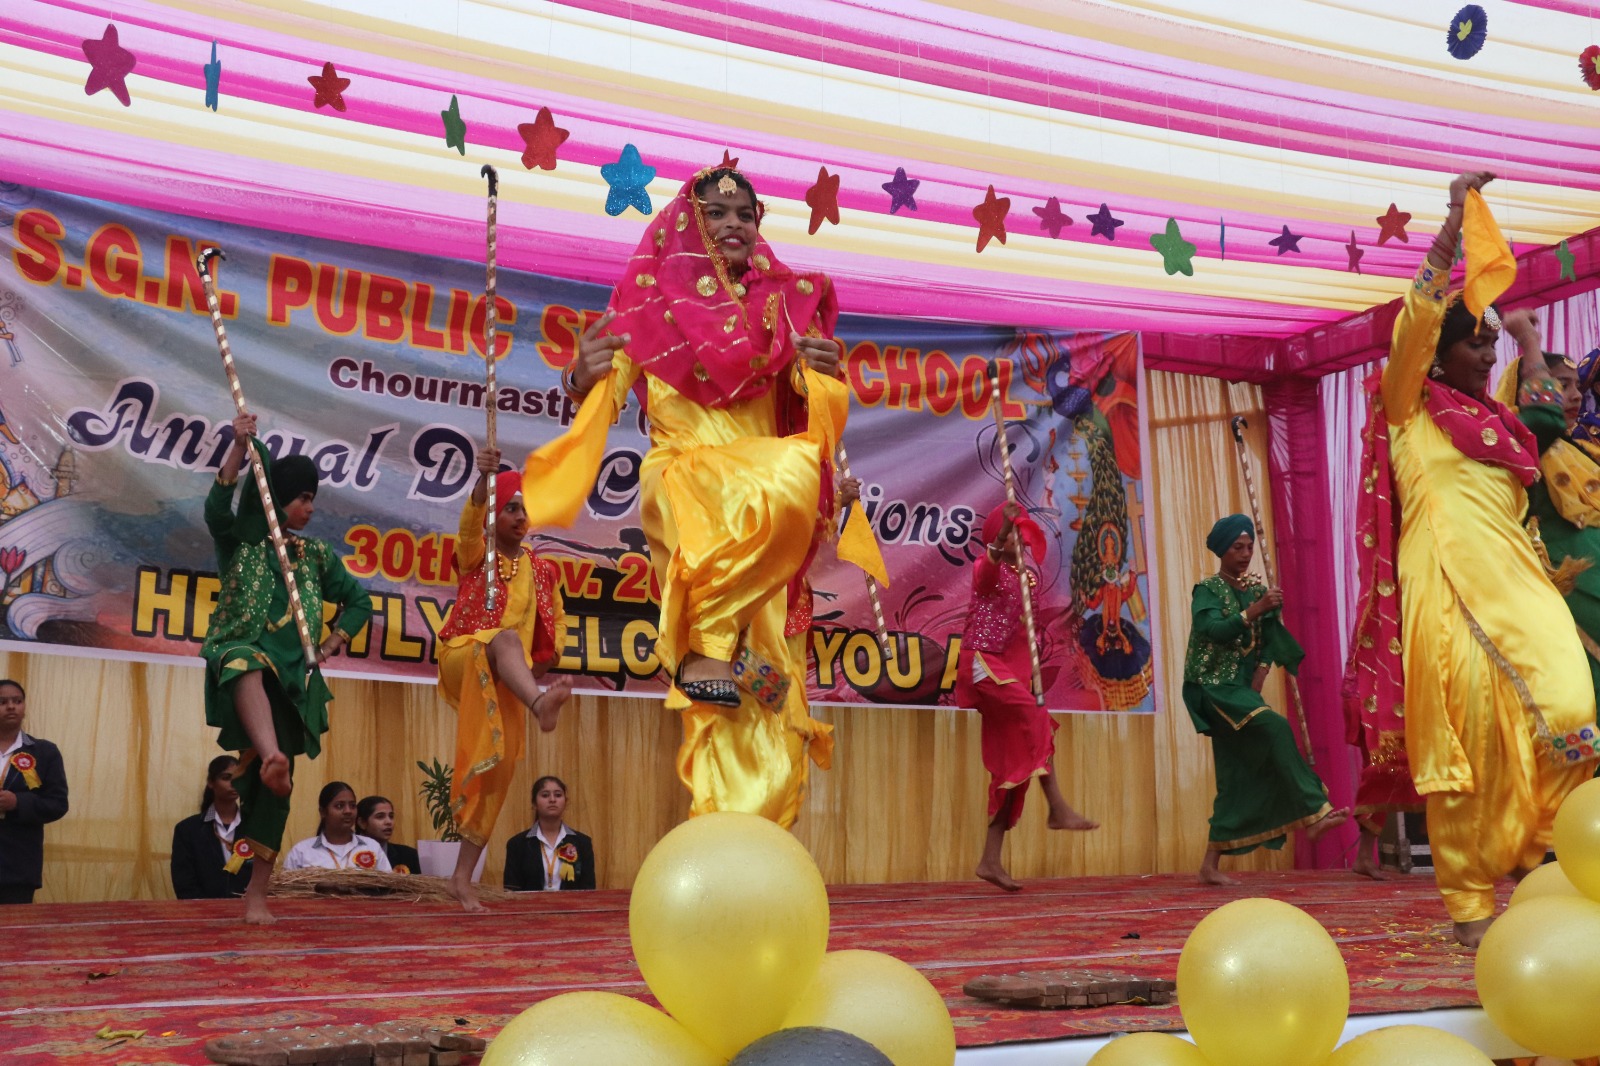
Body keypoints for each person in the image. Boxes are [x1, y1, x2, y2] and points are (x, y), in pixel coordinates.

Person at [526, 164, 865, 829]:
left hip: (762, 511)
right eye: (716, 213)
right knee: (772, 484)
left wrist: (824, 380)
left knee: (767, 689)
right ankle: (710, 645)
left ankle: (748, 841)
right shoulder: (645, 303)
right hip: (687, 484)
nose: (734, 224)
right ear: (688, 221)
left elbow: (812, 418)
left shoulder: (784, 308)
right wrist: (577, 374)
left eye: (746, 214)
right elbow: (603, 380)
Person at [1348, 170, 1596, 946]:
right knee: (1467, 742)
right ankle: (1468, 903)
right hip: (1445, 587)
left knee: (1571, 710)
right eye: (1475, 340)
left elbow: (1548, 415)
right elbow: (1416, 316)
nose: (1487, 352)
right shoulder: (1408, 409)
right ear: (1439, 353)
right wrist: (1454, 224)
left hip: (1521, 585)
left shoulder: (1508, 430)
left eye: (1492, 341)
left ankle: (1541, 858)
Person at [199, 412, 373, 924]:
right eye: (301, 498)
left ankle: (256, 893)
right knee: (242, 657)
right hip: (245, 665)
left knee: (271, 797)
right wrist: (236, 444)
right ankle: (270, 753)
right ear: (276, 496)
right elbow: (216, 505)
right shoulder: (240, 543)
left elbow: (359, 601)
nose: (310, 508)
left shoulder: (316, 556)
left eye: (313, 499)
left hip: (293, 684)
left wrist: (335, 638)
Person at [435, 447, 573, 911]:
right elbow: (469, 528)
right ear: (495, 514)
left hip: (508, 677)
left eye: (525, 508)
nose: (521, 516)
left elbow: (556, 622)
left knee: (499, 772)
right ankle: (539, 708)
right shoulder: (478, 555)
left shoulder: (541, 569)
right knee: (505, 639)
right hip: (464, 653)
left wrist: (546, 664)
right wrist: (481, 484)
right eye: (510, 507)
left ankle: (460, 878)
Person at [1184, 516, 1349, 887]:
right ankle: (1314, 813)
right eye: (1236, 548)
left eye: (1248, 547)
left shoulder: (1256, 588)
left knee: (1236, 775)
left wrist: (1260, 667)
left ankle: (1209, 865)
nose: (1244, 555)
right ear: (1222, 551)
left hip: (1239, 688)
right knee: (1274, 725)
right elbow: (1213, 630)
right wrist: (1255, 610)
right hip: (1212, 687)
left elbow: (1271, 636)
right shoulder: (1207, 591)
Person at [957, 502, 1097, 892]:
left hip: (1012, 672)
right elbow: (985, 572)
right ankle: (1057, 806)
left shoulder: (1026, 580)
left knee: (1016, 765)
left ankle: (989, 859)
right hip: (984, 663)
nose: (1017, 538)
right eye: (1009, 533)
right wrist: (1000, 535)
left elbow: (1027, 637)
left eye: (1019, 532)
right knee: (1037, 722)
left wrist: (1033, 677)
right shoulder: (986, 570)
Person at [1492, 341, 1600, 709]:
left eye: (1574, 386)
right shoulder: (1519, 447)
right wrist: (1529, 341)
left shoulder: (1582, 449)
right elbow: (1543, 418)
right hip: (1564, 596)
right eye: (1560, 384)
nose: (1572, 395)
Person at [0, 679, 68, 904]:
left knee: (14, 933)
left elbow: (58, 804)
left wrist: (17, 802)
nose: (11, 706)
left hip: (17, 865)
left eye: (17, 701)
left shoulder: (44, 752)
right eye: (3, 702)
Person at [171, 754, 253, 899]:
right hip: (202, 914)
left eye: (238, 778)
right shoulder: (187, 830)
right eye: (226, 778)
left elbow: (265, 875)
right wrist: (205, 912)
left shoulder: (255, 827)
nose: (233, 783)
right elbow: (184, 883)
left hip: (248, 911)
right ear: (210, 782)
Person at [503, 775, 596, 892]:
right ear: (534, 803)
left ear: (565, 802)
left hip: (571, 908)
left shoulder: (582, 843)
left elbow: (588, 890)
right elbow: (511, 890)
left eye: (558, 795)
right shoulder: (517, 844)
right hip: (531, 908)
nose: (552, 799)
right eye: (545, 795)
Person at [282, 781, 391, 872]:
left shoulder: (372, 847)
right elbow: (285, 893)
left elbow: (390, 888)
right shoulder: (301, 852)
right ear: (323, 812)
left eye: (352, 806)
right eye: (339, 806)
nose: (348, 811)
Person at [356, 795, 420, 874]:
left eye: (391, 816)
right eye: (380, 817)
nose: (389, 822)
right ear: (362, 823)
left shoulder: (409, 855)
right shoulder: (349, 853)